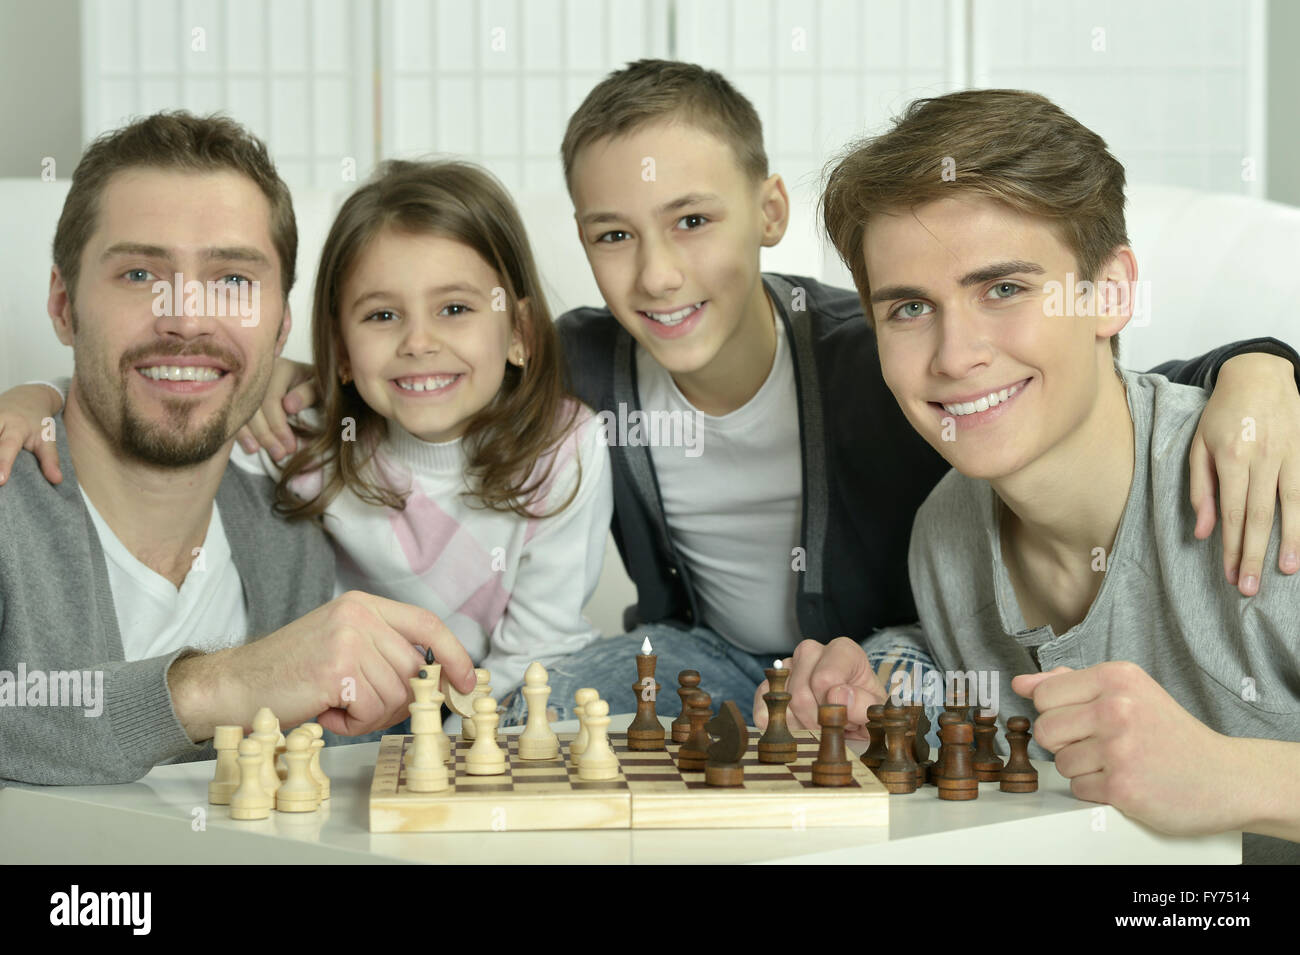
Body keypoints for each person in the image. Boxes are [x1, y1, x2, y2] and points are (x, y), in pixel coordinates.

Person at [115, 61, 1300, 735]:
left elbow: (1094, 378)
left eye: (693, 223)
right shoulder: (572, 362)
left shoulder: (870, 347)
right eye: (614, 238)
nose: (660, 275)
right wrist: (264, 367)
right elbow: (417, 364)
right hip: (743, 662)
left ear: (770, 215)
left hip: (892, 666)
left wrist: (1261, 363)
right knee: (545, 699)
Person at [817, 88, 1299, 862]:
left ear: (1110, 294)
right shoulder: (943, 536)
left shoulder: (1273, 481)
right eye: (909, 308)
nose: (953, 355)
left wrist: (1238, 776)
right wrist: (876, 674)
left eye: (1003, 288)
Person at [2, 158, 614, 728]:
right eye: (381, 316)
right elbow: (157, 402)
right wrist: (43, 397)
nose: (419, 343)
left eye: (455, 308)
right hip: (361, 719)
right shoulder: (303, 439)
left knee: (601, 682)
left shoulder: (566, 450)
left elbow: (541, 645)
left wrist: (456, 742)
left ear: (521, 333)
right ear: (341, 352)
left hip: (496, 708)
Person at [0, 112, 474, 786]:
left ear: (281, 326)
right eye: (139, 274)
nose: (187, 318)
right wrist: (218, 686)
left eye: (232, 280)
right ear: (62, 304)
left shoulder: (289, 541)